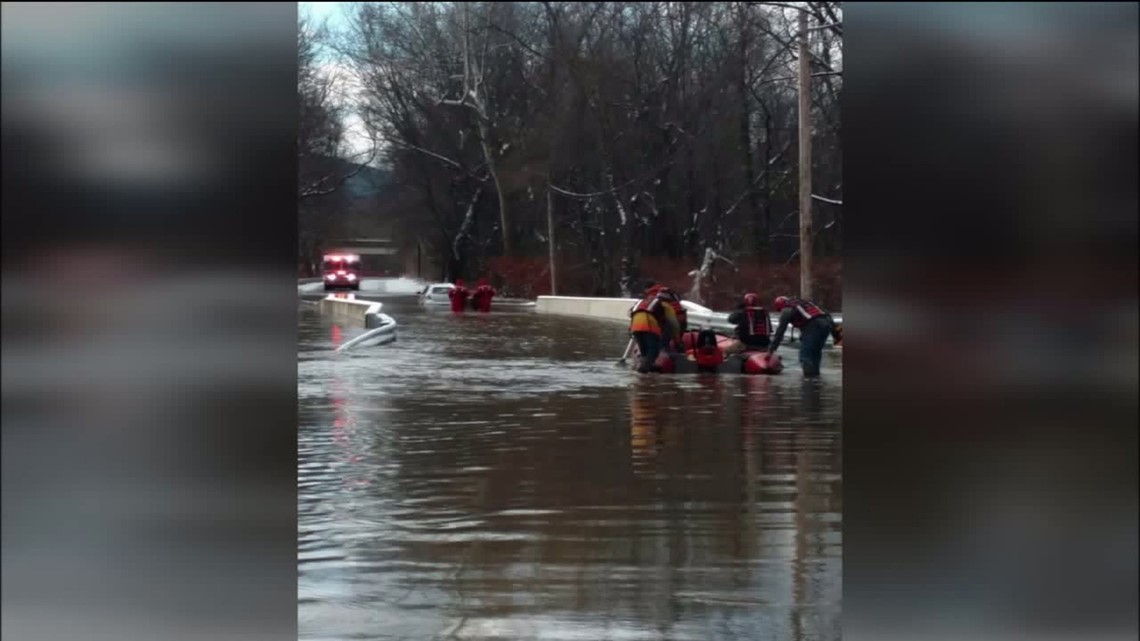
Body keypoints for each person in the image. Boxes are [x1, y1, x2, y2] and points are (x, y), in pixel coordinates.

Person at [767, 295, 841, 377]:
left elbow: (780, 332)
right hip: (826, 325)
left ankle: (808, 380)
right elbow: (826, 314)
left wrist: (771, 349)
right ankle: (816, 377)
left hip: (813, 326)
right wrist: (836, 335)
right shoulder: (806, 304)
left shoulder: (786, 310)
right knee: (815, 354)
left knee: (805, 356)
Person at [629, 286, 682, 373]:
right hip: (648, 325)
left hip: (635, 325)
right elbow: (674, 324)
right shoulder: (666, 305)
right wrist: (678, 339)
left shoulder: (645, 301)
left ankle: (648, 366)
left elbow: (632, 313)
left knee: (644, 350)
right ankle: (643, 370)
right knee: (654, 350)